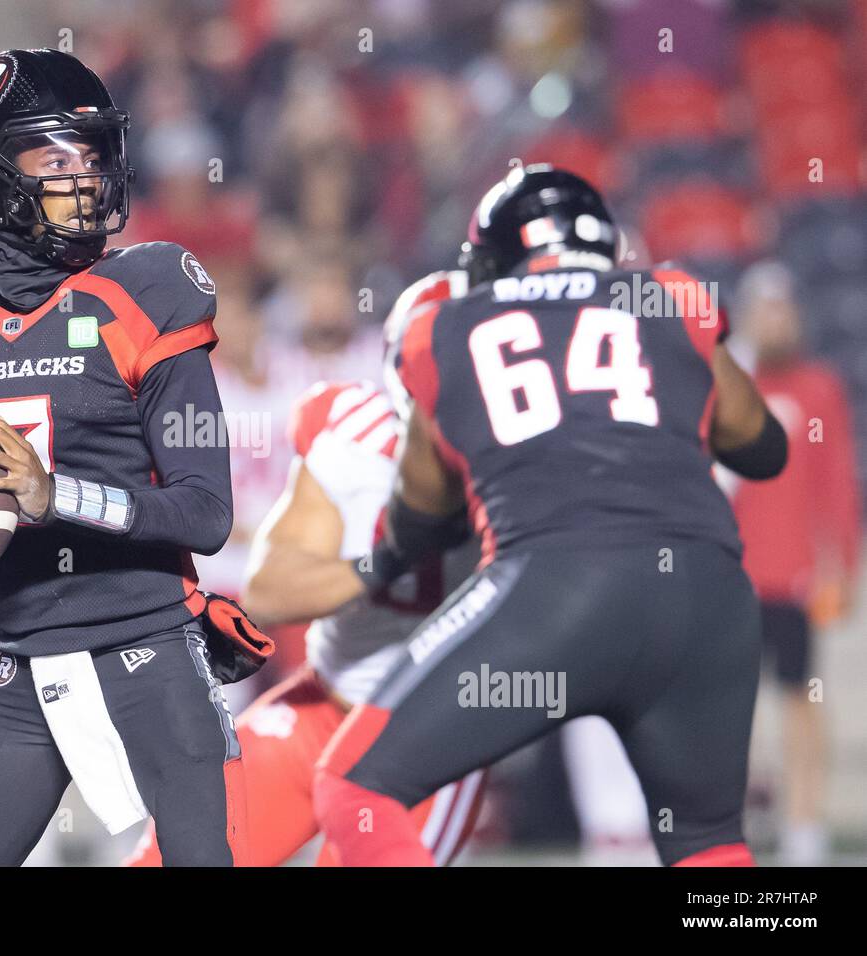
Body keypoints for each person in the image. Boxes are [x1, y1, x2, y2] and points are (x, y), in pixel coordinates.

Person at [313, 165, 788, 867]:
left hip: (557, 590)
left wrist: (387, 555)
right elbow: (762, 446)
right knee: (707, 848)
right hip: (708, 597)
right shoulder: (668, 296)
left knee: (353, 785)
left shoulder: (446, 325)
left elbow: (418, 510)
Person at [0, 49, 245, 865]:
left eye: (92, 157)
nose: (83, 179)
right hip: (22, 669)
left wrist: (54, 495)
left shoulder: (145, 289)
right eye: (53, 159)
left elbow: (207, 512)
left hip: (150, 654)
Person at [127, 359, 485, 867]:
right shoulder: (351, 429)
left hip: (426, 741)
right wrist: (389, 558)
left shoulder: (518, 466)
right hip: (323, 705)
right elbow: (270, 592)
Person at [728, 261, 860, 865]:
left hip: (793, 576)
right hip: (731, 577)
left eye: (781, 309)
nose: (773, 320)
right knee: (724, 707)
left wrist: (844, 563)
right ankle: (725, 826)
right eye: (763, 309)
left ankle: (804, 824)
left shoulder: (818, 387)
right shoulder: (729, 385)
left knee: (801, 700)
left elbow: (836, 479)